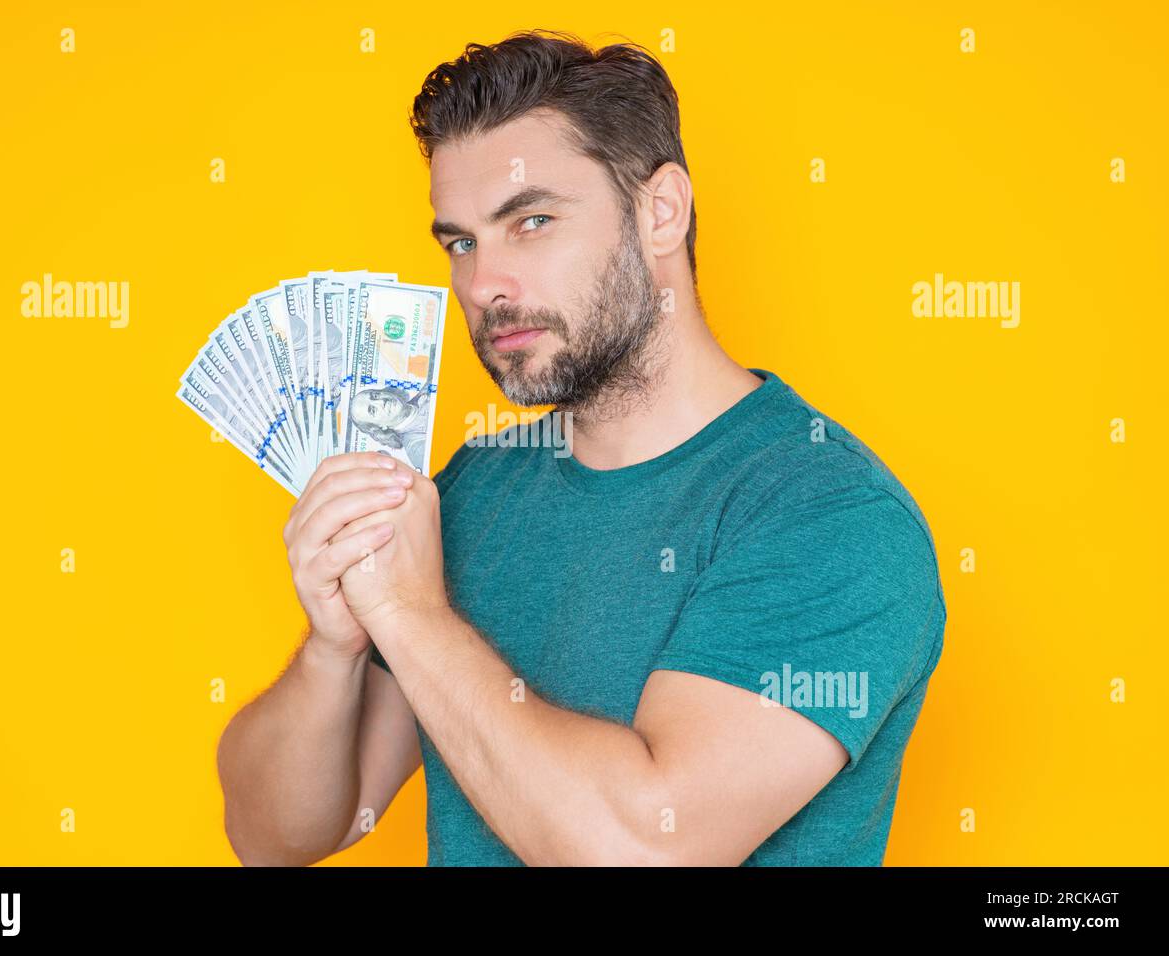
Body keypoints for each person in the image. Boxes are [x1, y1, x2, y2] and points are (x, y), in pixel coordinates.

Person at [217, 29, 946, 866]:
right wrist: (333, 648)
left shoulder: (830, 518)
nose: (484, 283)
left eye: (530, 221)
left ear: (660, 211)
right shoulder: (469, 496)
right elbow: (274, 839)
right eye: (460, 241)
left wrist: (408, 613)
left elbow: (644, 848)